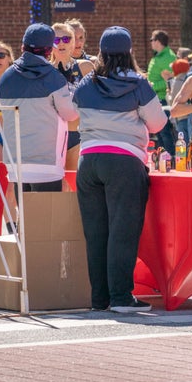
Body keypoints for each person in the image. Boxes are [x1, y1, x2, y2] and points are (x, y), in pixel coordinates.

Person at [73, 26, 168, 313]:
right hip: (125, 160)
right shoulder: (138, 84)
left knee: (96, 232)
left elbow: (76, 113)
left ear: (100, 52)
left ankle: (99, 299)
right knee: (122, 231)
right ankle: (121, 297)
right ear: (129, 52)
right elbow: (158, 124)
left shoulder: (86, 83)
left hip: (88, 160)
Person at [0, 24, 79, 193]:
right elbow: (70, 114)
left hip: (16, 162)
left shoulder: (6, 78)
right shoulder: (54, 77)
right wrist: (71, 89)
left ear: (22, 47)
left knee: (25, 218)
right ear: (49, 51)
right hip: (47, 165)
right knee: (46, 218)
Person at [52, 22, 95, 171]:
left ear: (73, 43)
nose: (61, 43)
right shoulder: (45, 71)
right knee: (56, 185)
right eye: (56, 40)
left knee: (73, 183)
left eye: (66, 39)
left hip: (79, 133)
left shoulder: (85, 67)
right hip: (52, 136)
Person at [147, 29, 176, 152]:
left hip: (164, 99)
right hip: (156, 99)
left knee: (164, 132)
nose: (151, 43)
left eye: (152, 40)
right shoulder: (159, 56)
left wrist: (151, 86)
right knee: (158, 132)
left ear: (158, 41)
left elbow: (170, 81)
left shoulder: (168, 57)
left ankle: (170, 157)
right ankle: (162, 158)